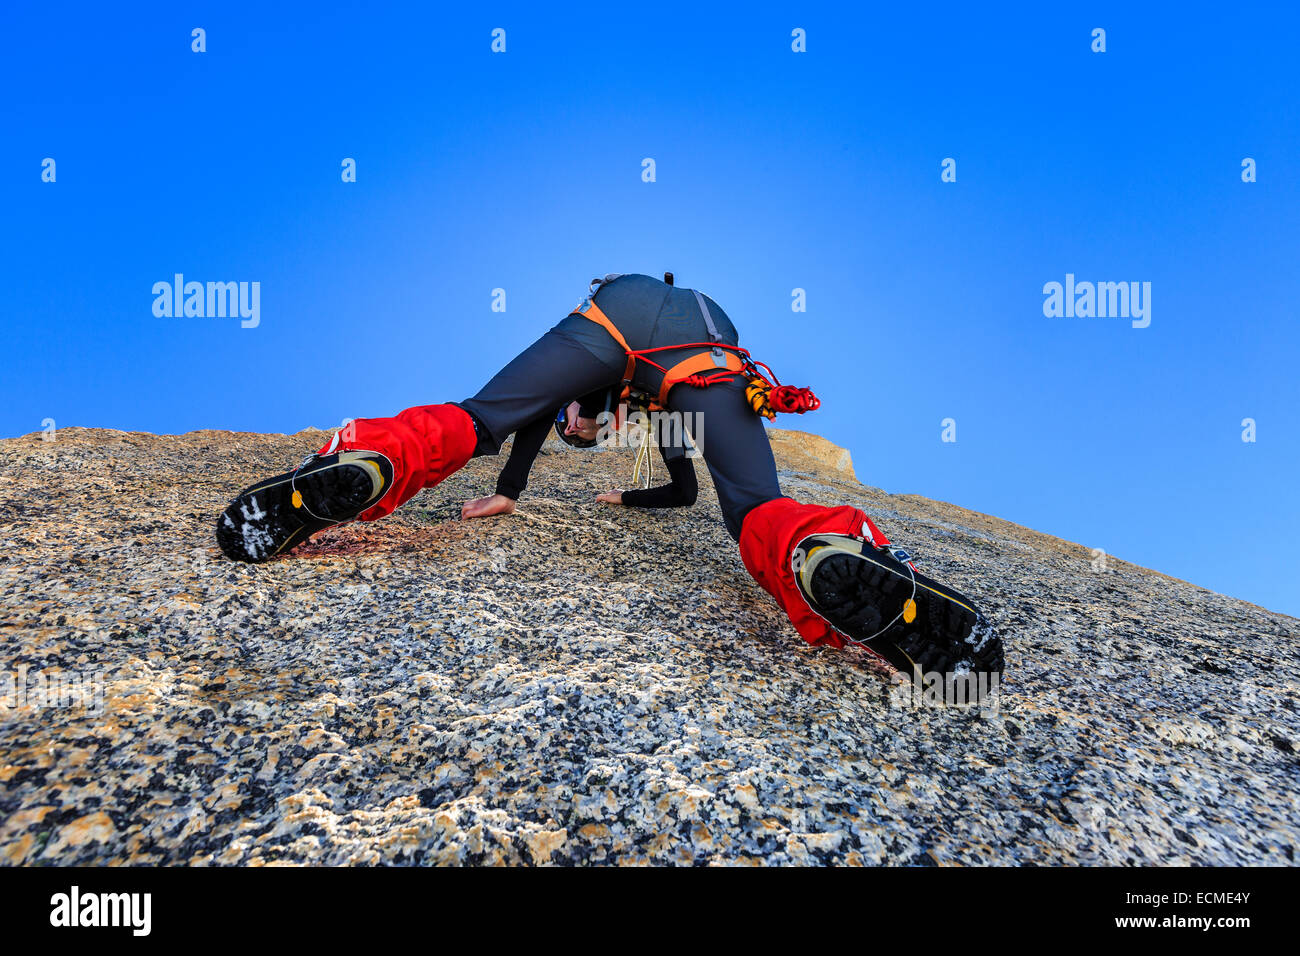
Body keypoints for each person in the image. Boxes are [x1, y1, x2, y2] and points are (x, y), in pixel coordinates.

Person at [215, 273, 1004, 693]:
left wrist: (526, 490)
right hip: (711, 345)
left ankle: (375, 462)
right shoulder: (659, 414)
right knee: (761, 508)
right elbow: (694, 489)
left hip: (615, 313)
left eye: (579, 428)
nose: (583, 432)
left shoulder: (615, 394)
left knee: (478, 413)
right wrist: (534, 491)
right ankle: (821, 550)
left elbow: (523, 413)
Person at [461, 388, 698, 519]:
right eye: (580, 433)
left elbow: (550, 397)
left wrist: (507, 491)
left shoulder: (593, 374)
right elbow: (685, 492)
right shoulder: (662, 417)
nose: (571, 427)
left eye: (564, 420)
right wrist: (627, 497)